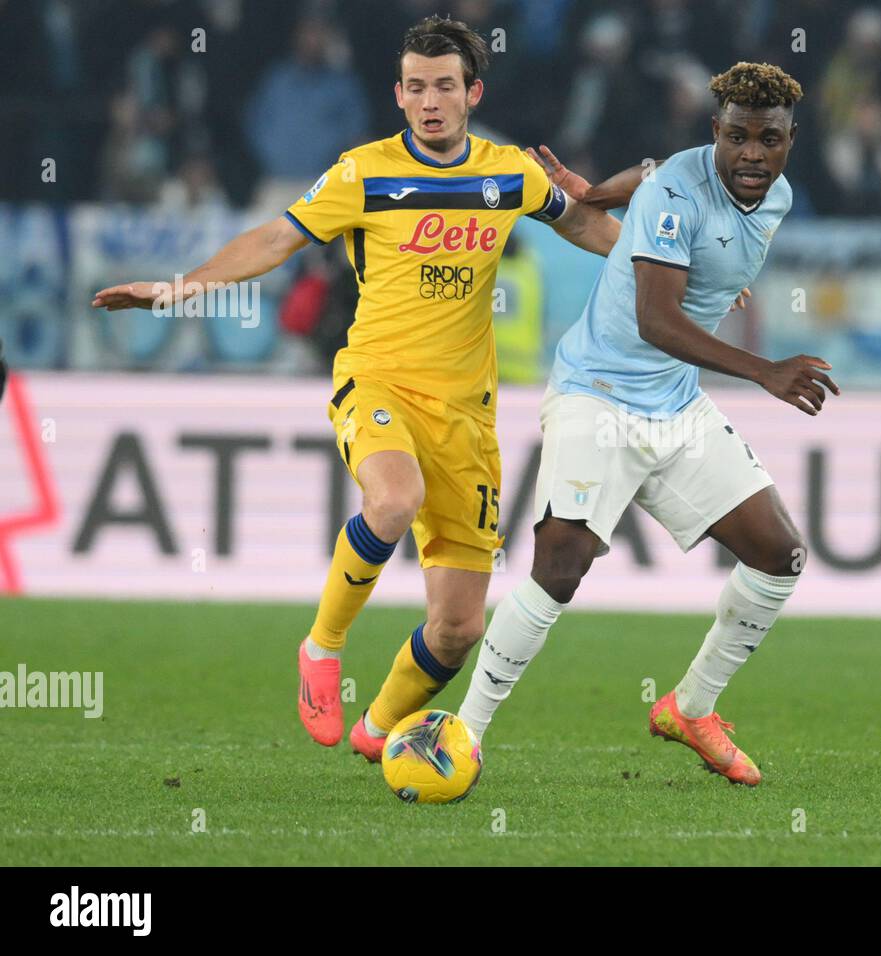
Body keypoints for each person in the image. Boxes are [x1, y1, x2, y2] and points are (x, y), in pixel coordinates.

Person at [91, 16, 622, 760]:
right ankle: (322, 646)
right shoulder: (362, 173)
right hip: (377, 382)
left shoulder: (511, 175)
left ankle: (377, 733)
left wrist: (673, 270)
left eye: (444, 86)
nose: (429, 101)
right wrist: (182, 286)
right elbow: (275, 238)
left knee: (459, 627)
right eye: (415, 87)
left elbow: (584, 226)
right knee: (394, 500)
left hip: (466, 417)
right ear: (397, 95)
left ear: (473, 92)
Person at [456, 62, 837, 786]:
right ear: (715, 133)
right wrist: (763, 370)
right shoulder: (676, 194)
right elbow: (656, 320)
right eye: (737, 137)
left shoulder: (775, 194)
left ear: (791, 140)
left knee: (779, 554)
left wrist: (591, 194)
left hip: (675, 404)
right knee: (561, 563)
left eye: (769, 138)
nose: (752, 154)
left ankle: (691, 709)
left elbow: (646, 171)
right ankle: (464, 734)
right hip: (598, 394)